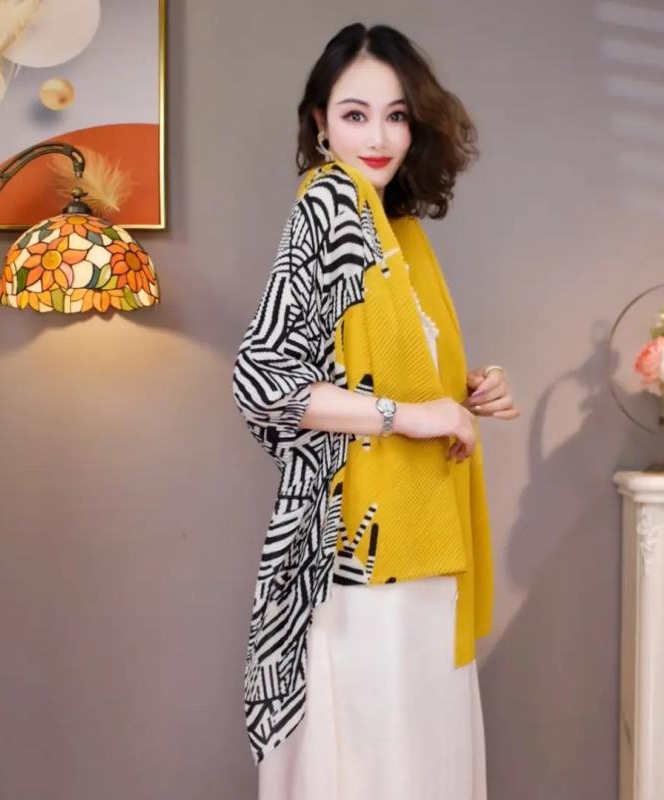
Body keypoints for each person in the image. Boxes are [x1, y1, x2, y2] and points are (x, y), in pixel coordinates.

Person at [232, 22, 520, 800]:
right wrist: (414, 417)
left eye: (396, 115)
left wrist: (466, 392)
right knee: (385, 771)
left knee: (406, 767)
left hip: (417, 540)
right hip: (365, 551)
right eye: (355, 114)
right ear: (320, 122)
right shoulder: (331, 203)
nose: (379, 136)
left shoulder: (396, 228)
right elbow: (264, 377)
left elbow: (376, 370)